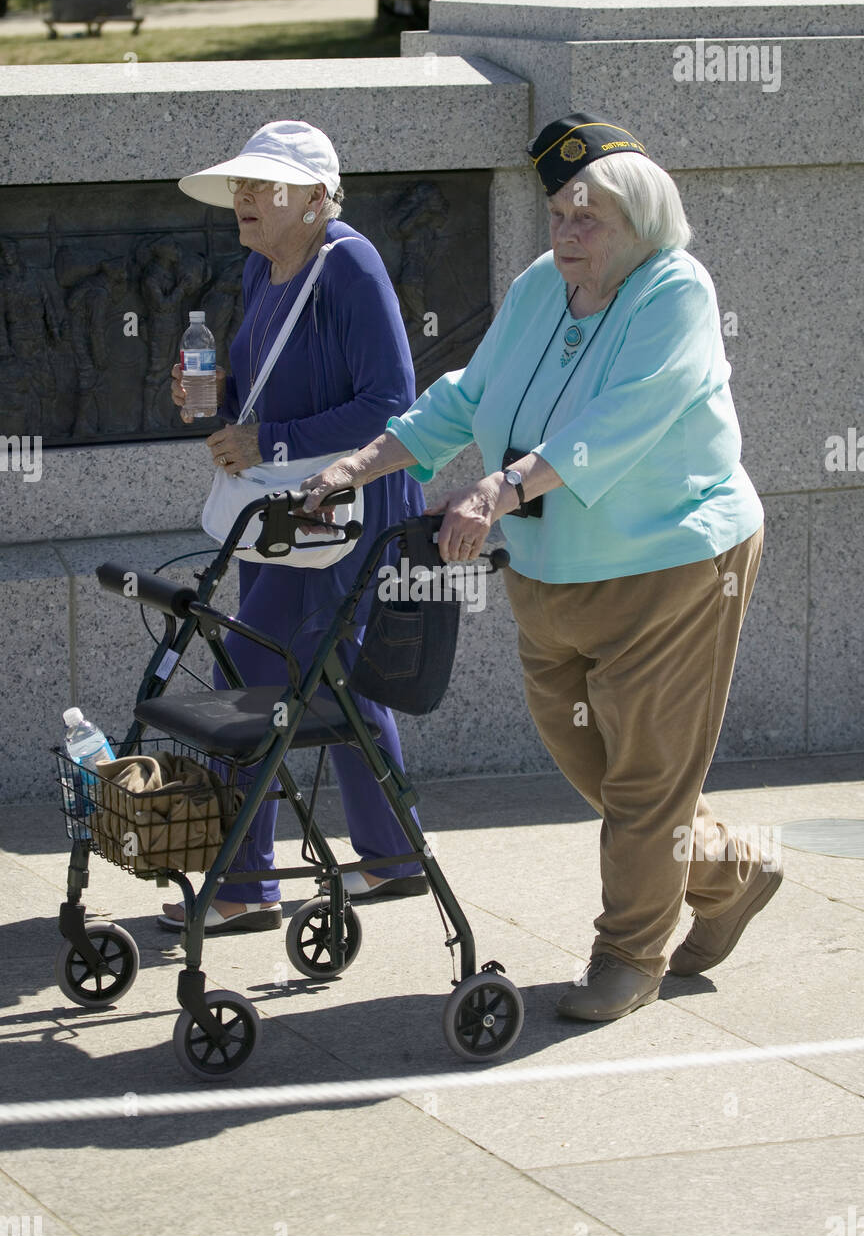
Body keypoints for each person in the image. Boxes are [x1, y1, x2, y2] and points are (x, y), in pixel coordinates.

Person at [301, 113, 779, 1023]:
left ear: (642, 222)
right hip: (551, 576)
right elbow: (469, 397)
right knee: (591, 760)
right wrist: (361, 464)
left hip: (674, 567)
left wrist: (494, 493)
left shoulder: (675, 292)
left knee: (643, 780)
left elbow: (618, 425)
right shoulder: (537, 286)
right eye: (558, 211)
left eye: (587, 216)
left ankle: (629, 954)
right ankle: (732, 869)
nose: (565, 231)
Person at [159, 120, 426, 936]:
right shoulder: (263, 266)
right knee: (332, 675)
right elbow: (278, 378)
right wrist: (210, 393)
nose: (243, 197)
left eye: (262, 185)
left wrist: (268, 440)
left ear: (315, 199)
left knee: (250, 672)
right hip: (286, 509)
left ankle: (244, 886)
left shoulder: (350, 263)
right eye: (240, 184)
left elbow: (391, 404)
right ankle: (393, 858)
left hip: (350, 506)